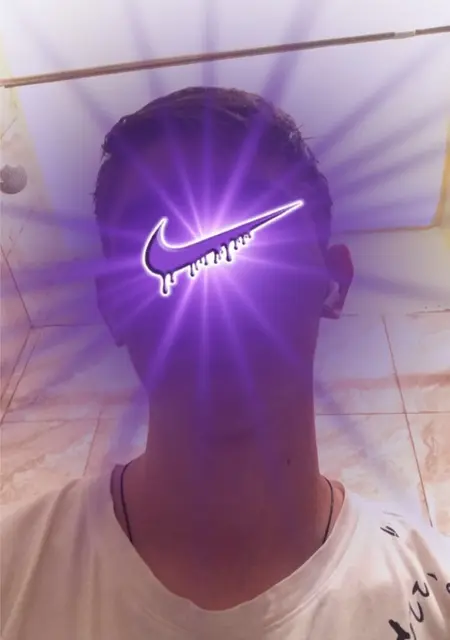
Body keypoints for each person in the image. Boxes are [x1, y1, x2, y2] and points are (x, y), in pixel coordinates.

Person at [1, 86, 449, 640]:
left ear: (333, 283)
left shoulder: (436, 590)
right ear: (113, 305)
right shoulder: (12, 571)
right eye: (166, 241)